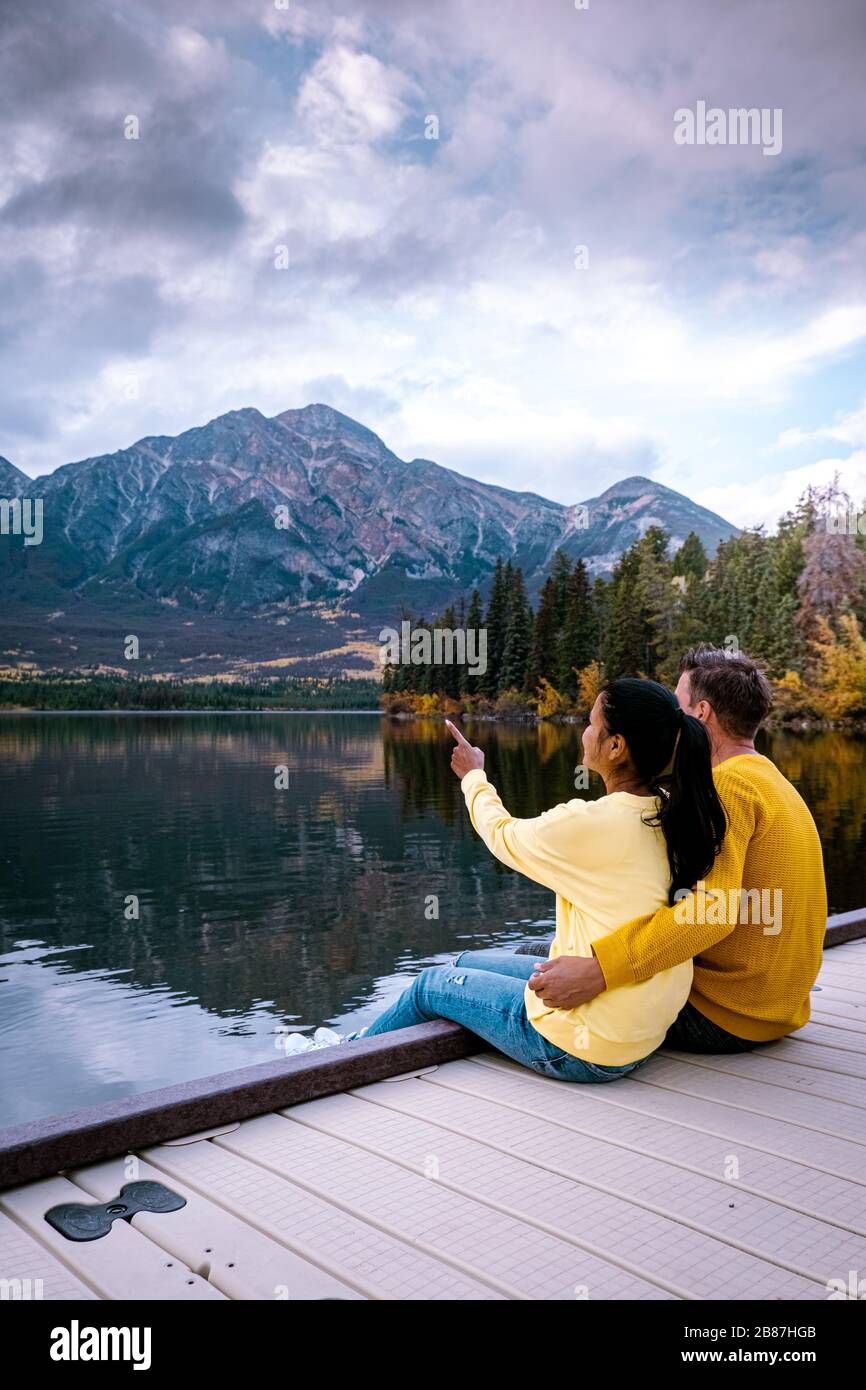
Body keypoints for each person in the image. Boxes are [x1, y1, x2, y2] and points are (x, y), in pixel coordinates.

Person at [340, 678, 727, 1082]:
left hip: (583, 1047)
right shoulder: (673, 815)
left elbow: (503, 835)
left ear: (616, 747)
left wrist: (474, 776)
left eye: (593, 723)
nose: (585, 731)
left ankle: (344, 1059)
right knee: (462, 963)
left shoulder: (593, 823)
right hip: (641, 1031)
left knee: (430, 985)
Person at [525, 647, 828, 1054]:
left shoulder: (727, 789)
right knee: (540, 955)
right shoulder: (771, 781)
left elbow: (711, 914)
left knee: (535, 960)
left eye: (676, 704)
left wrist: (602, 969)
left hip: (725, 1014)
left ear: (700, 713)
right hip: (774, 1007)